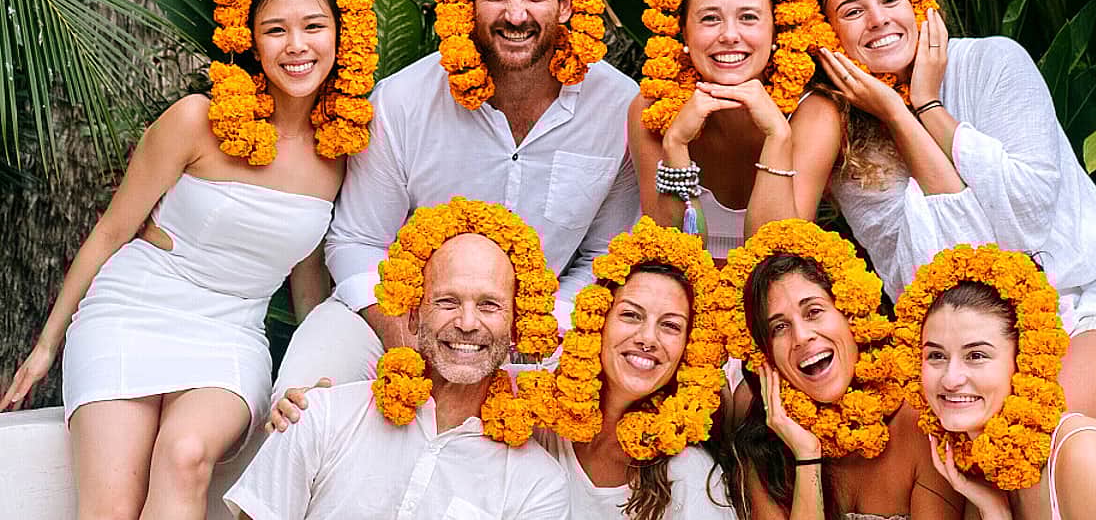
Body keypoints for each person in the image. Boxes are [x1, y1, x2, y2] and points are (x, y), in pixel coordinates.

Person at [0, 0, 377, 519]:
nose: (296, 46)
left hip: (231, 335)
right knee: (111, 507)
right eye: (276, 29)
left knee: (186, 453)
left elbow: (307, 280)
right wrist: (47, 344)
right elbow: (109, 231)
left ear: (340, 34)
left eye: (314, 26)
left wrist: (315, 375)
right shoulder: (196, 121)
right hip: (130, 312)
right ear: (250, 41)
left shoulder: (342, 150)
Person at [786, 0, 1096, 431]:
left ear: (917, 2)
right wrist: (895, 115)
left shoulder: (993, 62)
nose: (878, 20)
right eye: (852, 12)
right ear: (828, 35)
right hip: (960, 354)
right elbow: (941, 275)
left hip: (1095, 310)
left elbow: (1028, 216)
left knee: (1027, 434)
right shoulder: (852, 147)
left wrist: (926, 105)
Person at [275, 0, 639, 399]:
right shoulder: (403, 101)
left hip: (541, 334)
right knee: (304, 398)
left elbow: (604, 254)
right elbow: (356, 241)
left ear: (567, 2)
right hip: (404, 316)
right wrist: (406, 335)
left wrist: (543, 328)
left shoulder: (618, 108)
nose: (515, 14)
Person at [225, 198, 569, 519]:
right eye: (447, 302)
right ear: (414, 314)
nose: (467, 323)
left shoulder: (538, 485)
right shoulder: (321, 416)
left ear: (516, 324)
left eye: (488, 305)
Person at [897, 243, 1096, 520]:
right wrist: (993, 510)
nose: (951, 378)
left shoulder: (1085, 455)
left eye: (976, 355)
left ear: (1024, 360)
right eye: (936, 355)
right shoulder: (992, 469)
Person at [723, 220, 962, 520]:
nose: (801, 336)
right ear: (766, 354)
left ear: (852, 315)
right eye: (779, 327)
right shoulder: (763, 446)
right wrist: (807, 455)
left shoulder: (921, 424)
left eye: (814, 311)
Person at [630, 0, 817, 262]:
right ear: (682, 32)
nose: (730, 35)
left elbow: (779, 258)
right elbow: (669, 259)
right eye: (710, 19)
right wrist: (675, 144)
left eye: (748, 17)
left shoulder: (812, 112)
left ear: (777, 28)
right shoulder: (651, 108)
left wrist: (777, 136)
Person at [538, 217, 736, 519]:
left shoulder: (688, 473)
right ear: (599, 320)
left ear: (688, 348)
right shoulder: (542, 425)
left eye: (670, 325)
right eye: (631, 315)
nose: (647, 338)